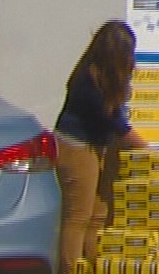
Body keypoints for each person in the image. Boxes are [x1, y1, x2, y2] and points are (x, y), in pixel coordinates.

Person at [55, 21, 150, 269]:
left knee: (98, 214)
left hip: (98, 146)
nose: (132, 59)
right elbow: (117, 125)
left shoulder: (110, 77)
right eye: (128, 53)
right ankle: (71, 268)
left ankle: (94, 265)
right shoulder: (89, 79)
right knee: (78, 216)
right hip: (76, 146)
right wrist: (152, 152)